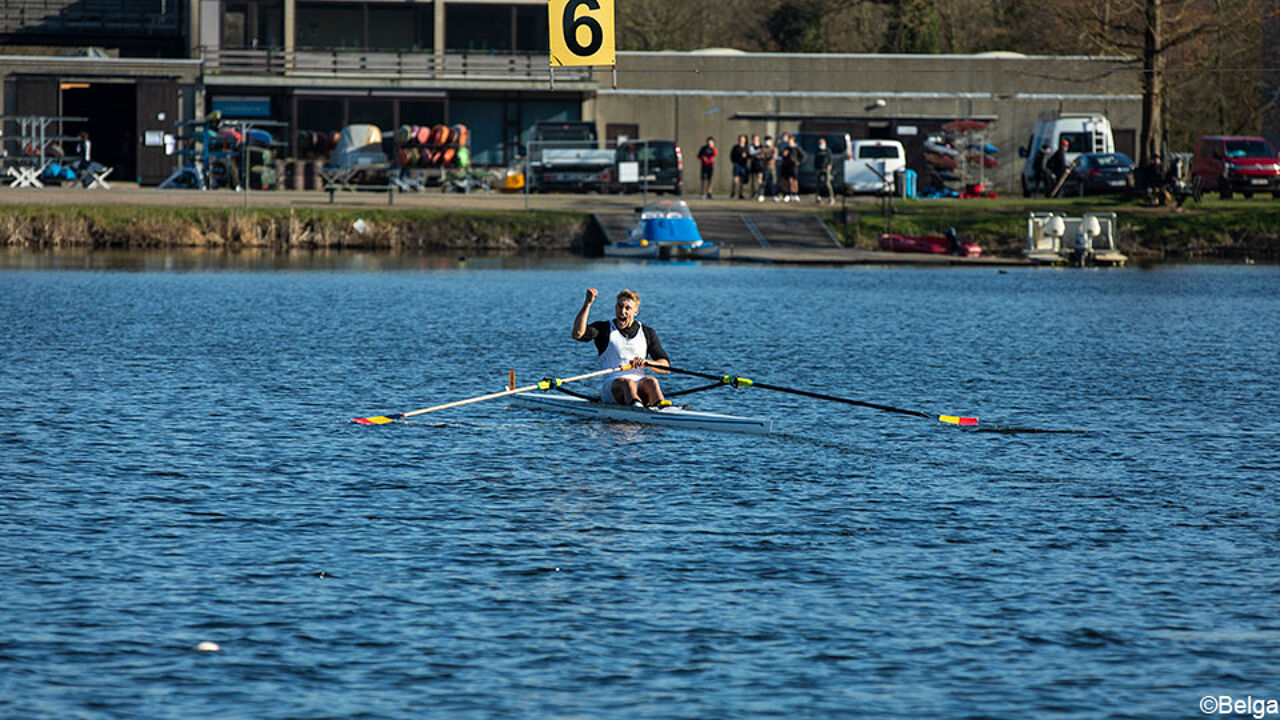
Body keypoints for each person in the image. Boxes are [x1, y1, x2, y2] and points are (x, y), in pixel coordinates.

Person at [571, 288, 670, 407]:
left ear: (635, 312)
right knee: (628, 383)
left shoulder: (647, 333)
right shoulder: (603, 329)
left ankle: (663, 409)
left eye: (627, 308)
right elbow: (578, 334)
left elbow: (665, 367)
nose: (622, 311)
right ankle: (637, 409)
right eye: (619, 306)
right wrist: (588, 303)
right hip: (613, 385)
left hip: (640, 383)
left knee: (651, 381)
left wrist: (646, 362)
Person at [778, 133, 806, 202]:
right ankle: (787, 194)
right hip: (786, 166)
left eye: (791, 140)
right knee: (786, 180)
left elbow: (803, 156)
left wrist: (798, 162)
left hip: (793, 166)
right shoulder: (786, 148)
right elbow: (782, 156)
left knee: (794, 180)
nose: (789, 142)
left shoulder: (796, 148)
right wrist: (783, 155)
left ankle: (794, 194)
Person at [814, 137, 834, 205]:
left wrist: (829, 165)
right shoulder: (817, 150)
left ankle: (831, 197)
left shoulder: (828, 150)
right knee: (818, 183)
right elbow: (815, 160)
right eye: (819, 143)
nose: (820, 145)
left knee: (827, 183)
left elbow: (830, 159)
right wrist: (815, 167)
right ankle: (818, 197)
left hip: (826, 169)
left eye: (821, 143)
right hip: (819, 168)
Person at [757, 135, 778, 202]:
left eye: (769, 140)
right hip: (765, 167)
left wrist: (767, 156)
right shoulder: (763, 149)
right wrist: (766, 156)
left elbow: (774, 156)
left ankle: (774, 195)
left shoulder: (774, 148)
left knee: (773, 182)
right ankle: (761, 195)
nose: (768, 142)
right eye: (767, 140)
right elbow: (762, 156)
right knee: (763, 182)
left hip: (772, 167)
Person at [729, 134, 749, 199]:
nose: (742, 140)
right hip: (737, 164)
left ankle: (741, 193)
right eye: (741, 139)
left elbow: (749, 155)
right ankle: (733, 192)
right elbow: (732, 156)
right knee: (735, 179)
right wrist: (735, 160)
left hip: (743, 164)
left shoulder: (746, 147)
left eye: (743, 139)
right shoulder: (735, 147)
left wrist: (746, 156)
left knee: (742, 180)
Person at [747, 134, 763, 198]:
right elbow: (751, 152)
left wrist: (760, 154)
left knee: (760, 179)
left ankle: (760, 192)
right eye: (754, 139)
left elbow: (763, 153)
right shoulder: (750, 146)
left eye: (756, 139)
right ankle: (753, 193)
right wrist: (758, 152)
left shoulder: (761, 146)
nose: (755, 140)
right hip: (753, 164)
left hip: (760, 164)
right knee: (753, 180)